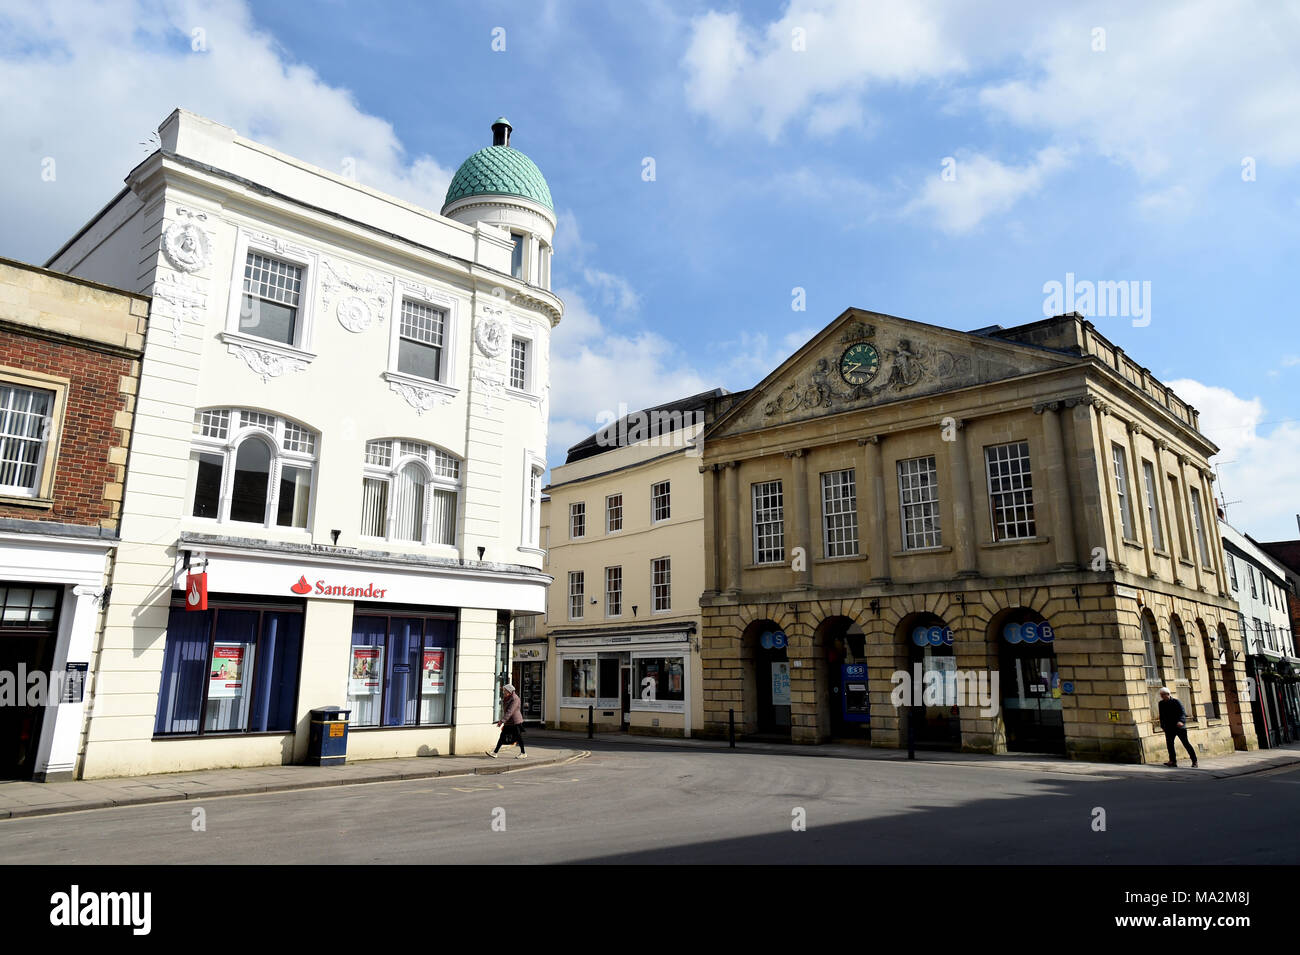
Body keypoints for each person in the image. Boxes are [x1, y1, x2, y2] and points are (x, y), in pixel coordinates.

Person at [1158, 687, 1197, 767]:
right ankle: (1173, 761)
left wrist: (1181, 721)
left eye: (1163, 695)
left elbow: (1182, 713)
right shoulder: (1161, 703)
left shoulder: (1176, 702)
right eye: (1161, 695)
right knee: (1170, 744)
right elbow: (1161, 716)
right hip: (1169, 727)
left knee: (1186, 743)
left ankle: (1194, 761)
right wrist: (1162, 725)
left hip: (1179, 727)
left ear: (1168, 694)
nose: (1162, 696)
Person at [486, 684, 527, 759]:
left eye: (505, 691)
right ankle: (495, 752)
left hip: (515, 721)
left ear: (509, 691)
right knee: (502, 736)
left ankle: (523, 753)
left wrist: (502, 721)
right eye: (503, 690)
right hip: (509, 721)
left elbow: (510, 711)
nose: (503, 692)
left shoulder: (515, 699)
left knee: (519, 737)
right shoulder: (507, 698)